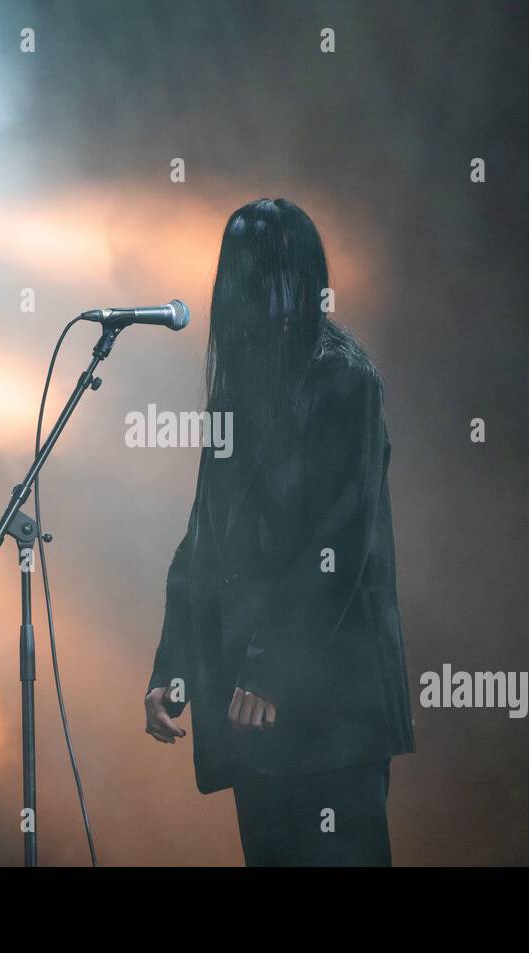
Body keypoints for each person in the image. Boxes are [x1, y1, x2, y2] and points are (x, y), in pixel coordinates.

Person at [144, 198, 415, 866]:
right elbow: (203, 538)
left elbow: (339, 543)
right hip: (254, 715)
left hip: (330, 715)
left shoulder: (346, 381)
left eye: (265, 275)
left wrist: (272, 663)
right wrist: (172, 667)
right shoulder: (238, 393)